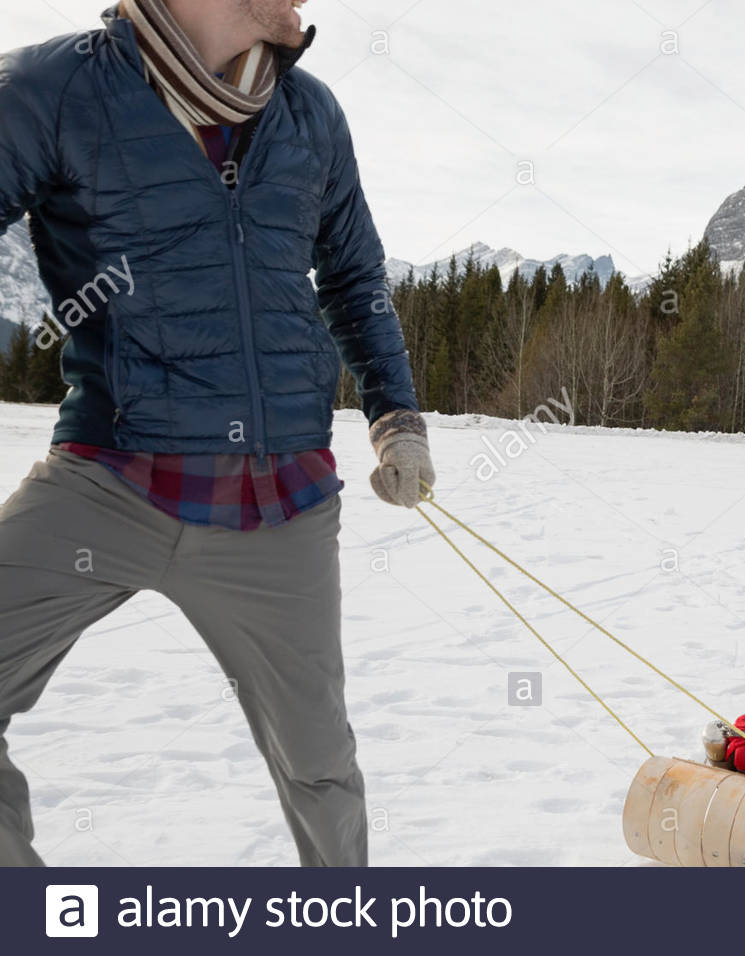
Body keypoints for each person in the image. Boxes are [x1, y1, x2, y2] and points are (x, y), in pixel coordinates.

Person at [0, 0, 434, 865]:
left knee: (321, 770)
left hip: (282, 507)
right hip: (107, 484)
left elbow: (352, 276)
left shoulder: (310, 113)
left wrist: (397, 416)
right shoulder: (53, 87)